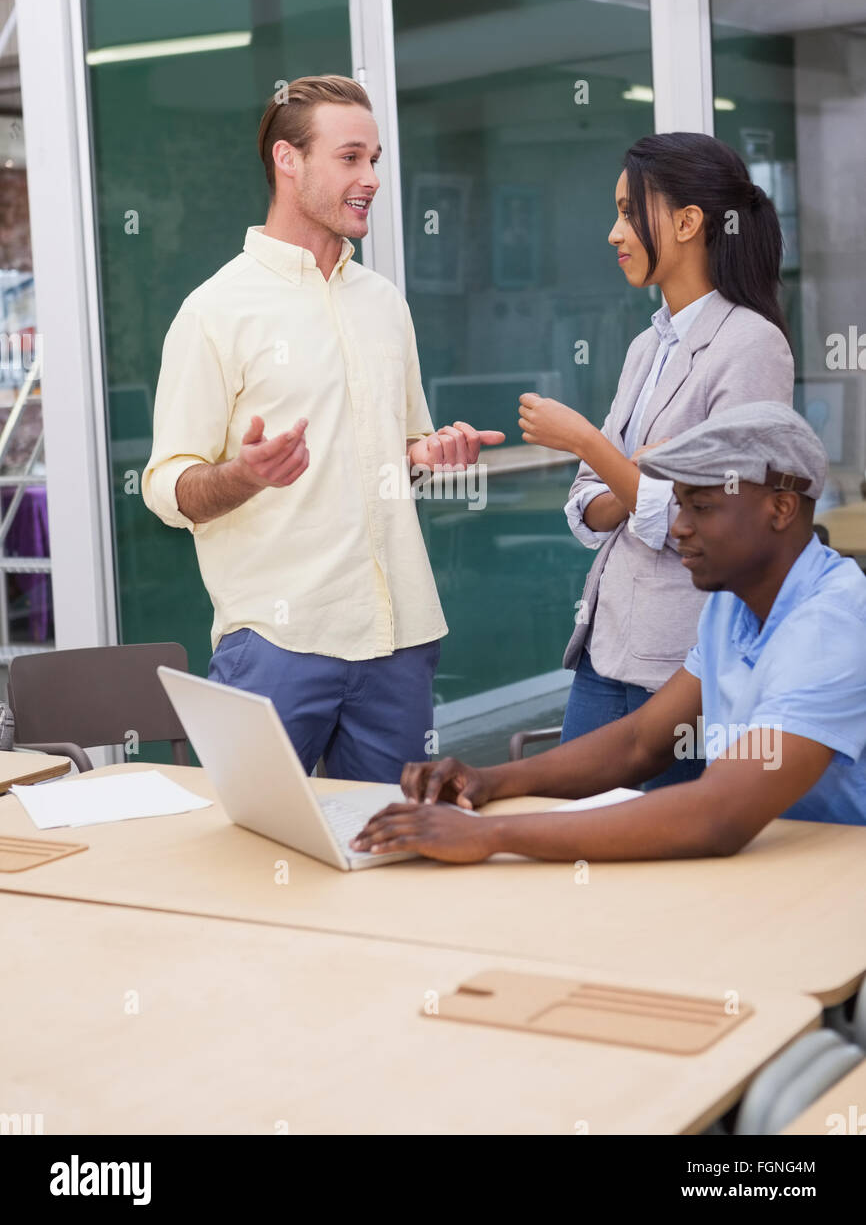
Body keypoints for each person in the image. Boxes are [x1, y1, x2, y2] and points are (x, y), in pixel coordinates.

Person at [143, 74, 503, 782]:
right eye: (350, 158)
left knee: (394, 855)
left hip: (399, 637)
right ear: (288, 160)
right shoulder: (215, 311)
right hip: (279, 641)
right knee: (253, 862)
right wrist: (244, 476)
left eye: (374, 159)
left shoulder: (383, 302)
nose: (370, 178)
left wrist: (431, 452)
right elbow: (166, 484)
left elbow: (401, 449)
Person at [350, 403, 866, 862]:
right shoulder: (731, 604)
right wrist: (486, 781)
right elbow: (641, 742)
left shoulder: (830, 623)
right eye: (681, 503)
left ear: (781, 508)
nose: (680, 525)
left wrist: (491, 835)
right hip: (777, 868)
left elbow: (719, 817)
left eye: (702, 507)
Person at [517, 133, 794, 789]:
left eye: (627, 211)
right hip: (604, 652)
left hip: (681, 666)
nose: (614, 233)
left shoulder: (750, 345)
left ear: (689, 221)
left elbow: (721, 524)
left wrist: (588, 443)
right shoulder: (650, 343)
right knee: (574, 845)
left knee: (664, 874)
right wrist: (635, 473)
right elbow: (586, 504)